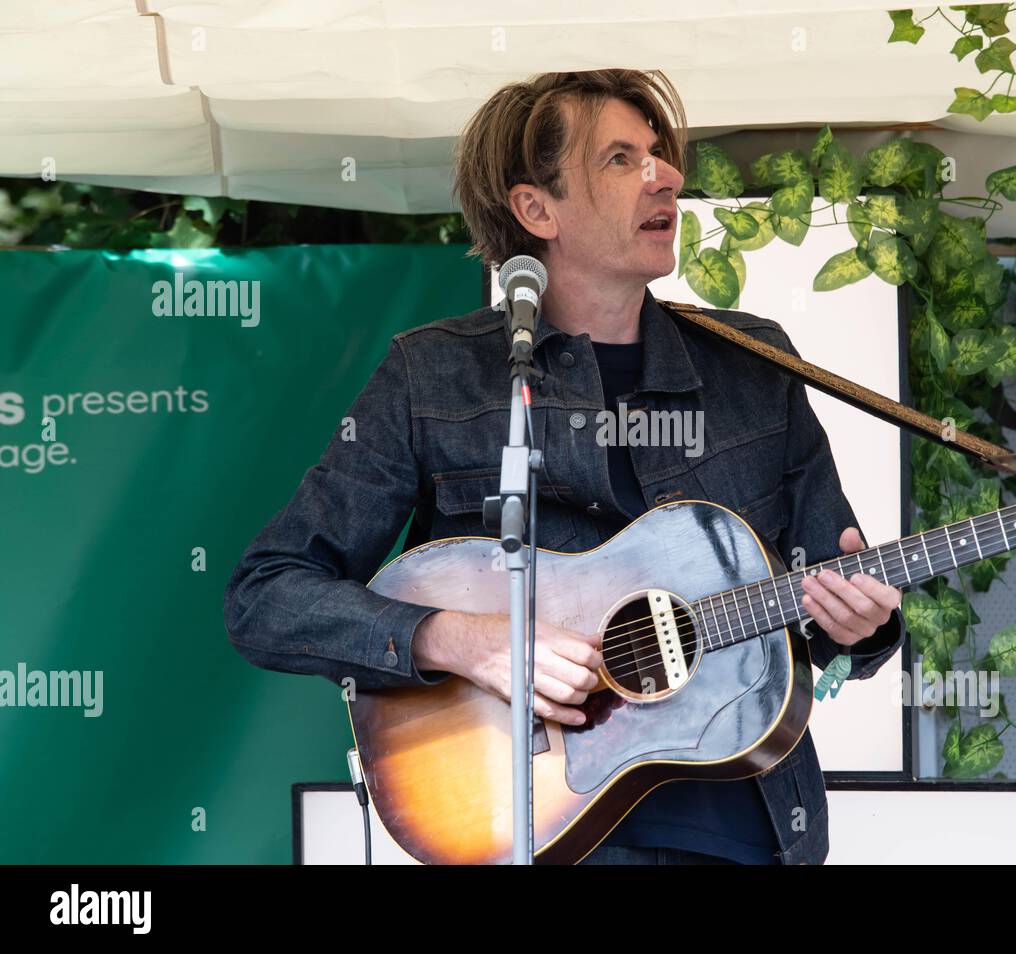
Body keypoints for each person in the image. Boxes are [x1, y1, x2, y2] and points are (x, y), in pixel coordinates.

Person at [224, 69, 906, 865]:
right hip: (535, 833)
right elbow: (266, 596)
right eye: (622, 158)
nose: (668, 176)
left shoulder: (753, 366)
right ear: (535, 209)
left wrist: (861, 625)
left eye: (659, 153)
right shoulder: (434, 376)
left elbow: (824, 592)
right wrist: (459, 638)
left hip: (744, 833)